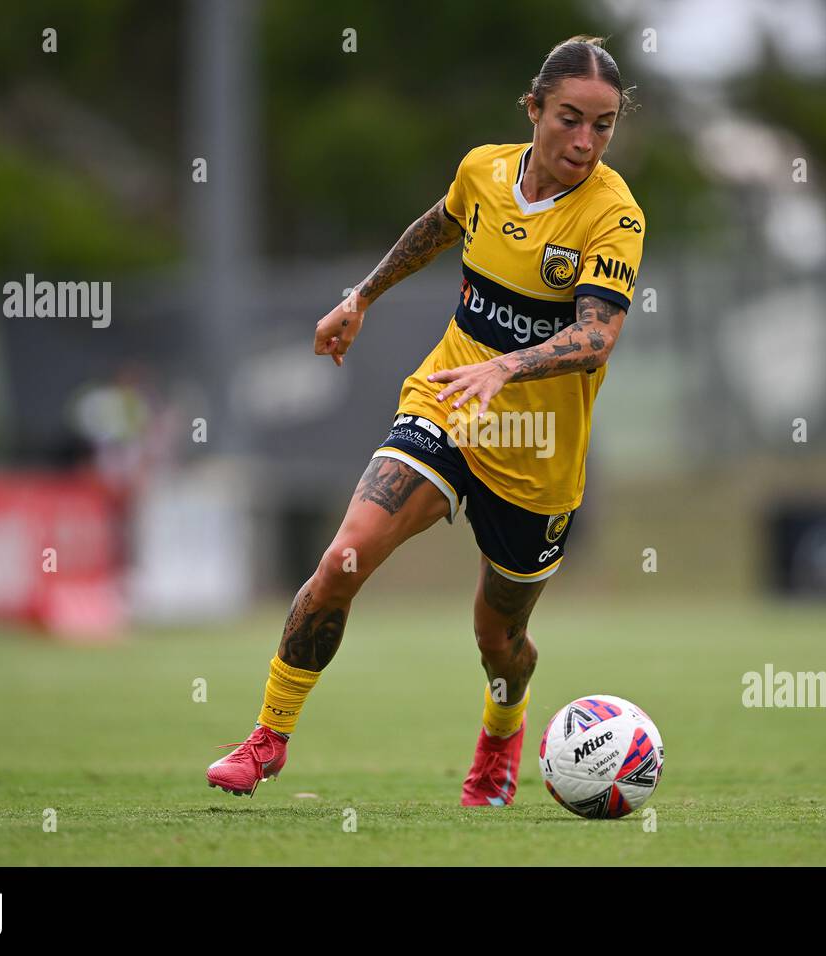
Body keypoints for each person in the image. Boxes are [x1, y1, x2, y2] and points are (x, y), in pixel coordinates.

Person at [207, 35, 645, 806]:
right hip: (444, 403)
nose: (584, 141)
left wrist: (507, 365)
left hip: (537, 452)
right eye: (570, 118)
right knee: (347, 554)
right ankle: (268, 737)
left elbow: (596, 335)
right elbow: (438, 226)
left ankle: (503, 731)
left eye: (603, 126)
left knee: (497, 639)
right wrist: (361, 297)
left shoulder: (615, 216)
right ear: (534, 107)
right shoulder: (484, 169)